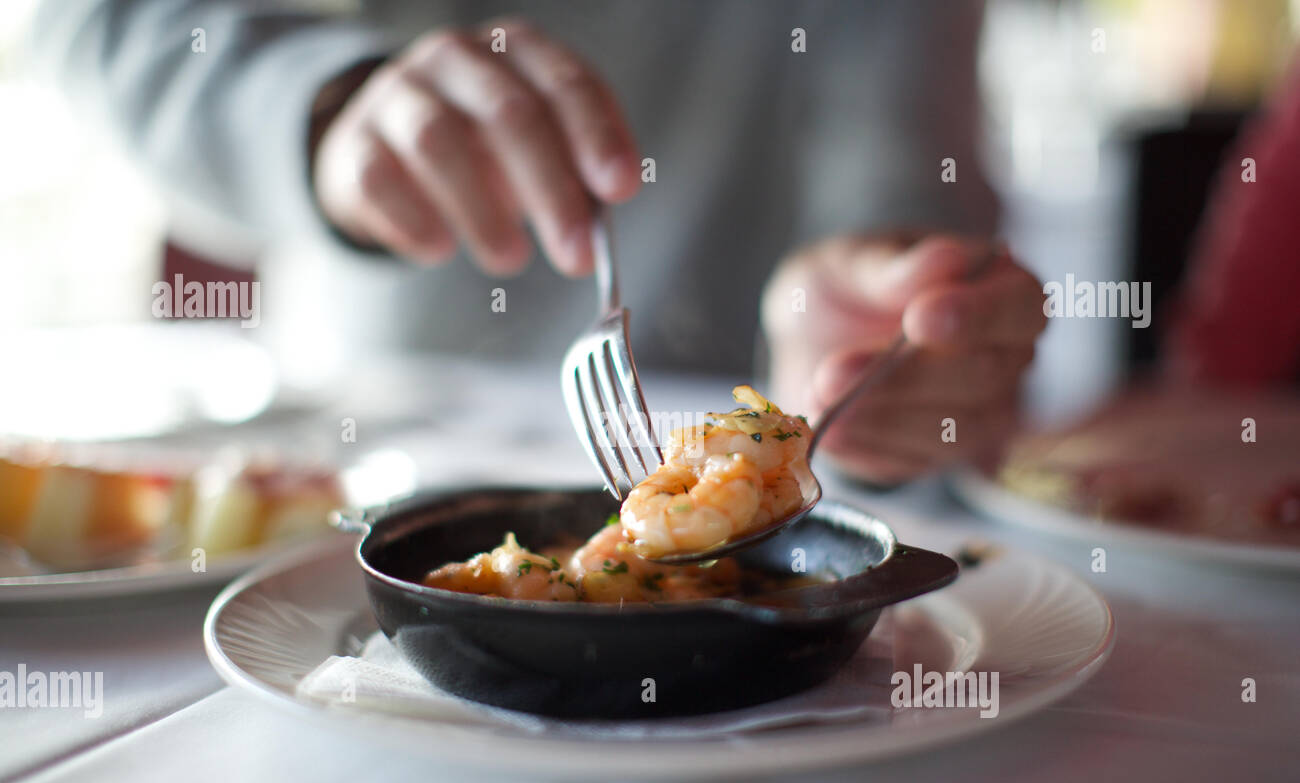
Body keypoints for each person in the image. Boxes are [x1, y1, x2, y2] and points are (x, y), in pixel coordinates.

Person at [29, 0, 1047, 485]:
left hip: (761, 456)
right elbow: (98, 25)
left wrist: (881, 321)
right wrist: (319, 111)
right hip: (358, 448)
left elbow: (905, 176)